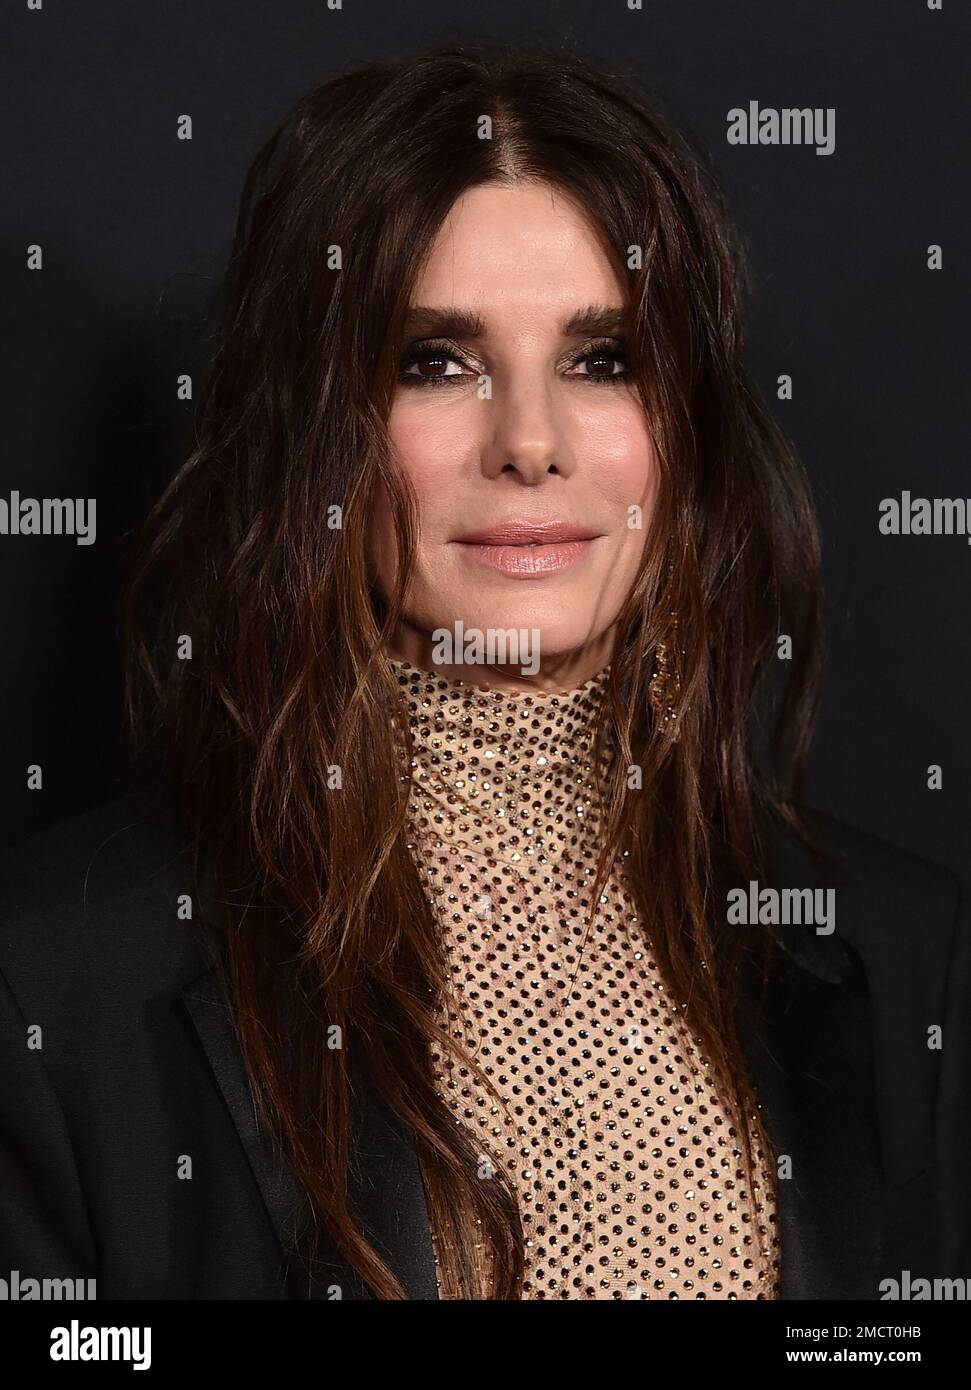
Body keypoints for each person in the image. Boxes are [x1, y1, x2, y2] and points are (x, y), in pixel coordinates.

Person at [1, 43, 967, 1301]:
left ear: (682, 426)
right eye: (435, 361)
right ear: (316, 427)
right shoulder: (59, 983)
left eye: (600, 357)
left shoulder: (905, 960)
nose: (529, 442)